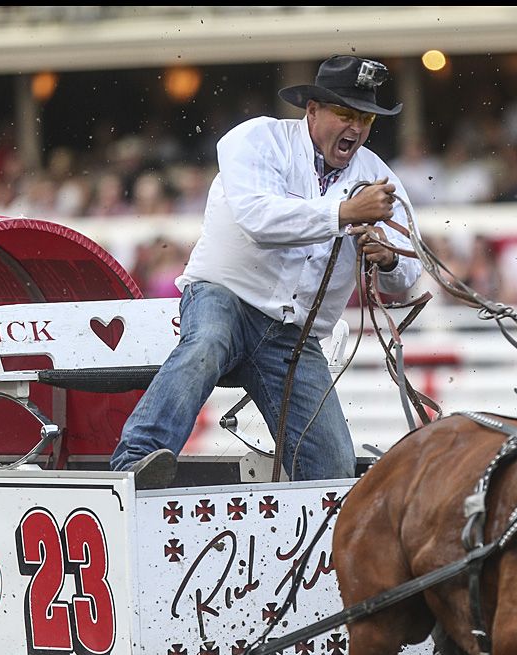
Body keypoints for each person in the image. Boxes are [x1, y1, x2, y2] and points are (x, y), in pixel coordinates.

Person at [111, 55, 422, 488]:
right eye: (345, 113)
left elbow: (408, 274)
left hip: (293, 334)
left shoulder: (378, 177)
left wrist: (388, 258)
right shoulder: (258, 139)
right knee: (208, 342)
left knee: (332, 469)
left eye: (365, 118)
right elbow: (258, 221)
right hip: (226, 295)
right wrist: (345, 212)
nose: (356, 127)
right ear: (312, 110)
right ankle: (135, 463)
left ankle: (317, 528)